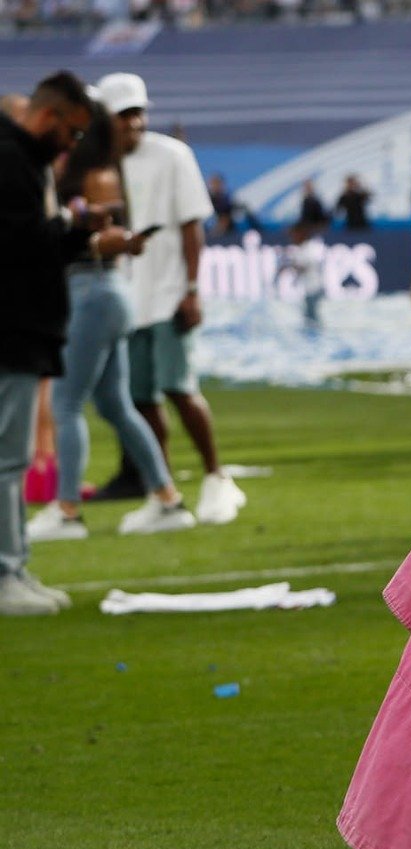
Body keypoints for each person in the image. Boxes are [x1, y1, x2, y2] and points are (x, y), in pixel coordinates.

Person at [25, 98, 197, 544]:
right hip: (105, 292)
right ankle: (166, 498)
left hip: (91, 292)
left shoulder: (90, 174)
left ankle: (65, 511)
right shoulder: (102, 171)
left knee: (64, 404)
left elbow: (101, 237)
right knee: (115, 406)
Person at [96, 72, 247, 525]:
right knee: (140, 400)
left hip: (168, 292)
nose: (134, 123)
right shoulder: (101, 166)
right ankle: (164, 493)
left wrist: (192, 289)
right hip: (126, 297)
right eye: (124, 115)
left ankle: (217, 477)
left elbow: (191, 227)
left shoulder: (173, 154)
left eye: (138, 113)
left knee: (179, 389)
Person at [0, 70, 97, 616]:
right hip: (11, 329)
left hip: (19, 329)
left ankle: (13, 565)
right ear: (49, 116)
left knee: (9, 457)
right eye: (73, 132)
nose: (74, 145)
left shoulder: (21, 161)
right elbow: (21, 247)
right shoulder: (11, 162)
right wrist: (83, 235)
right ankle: (4, 572)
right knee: (6, 459)